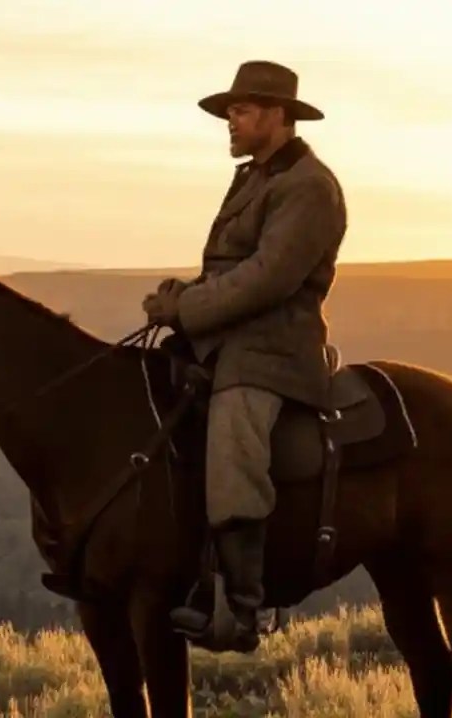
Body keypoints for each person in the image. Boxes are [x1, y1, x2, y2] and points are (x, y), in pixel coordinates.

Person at [141, 60, 348, 652]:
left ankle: (240, 607)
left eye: (243, 111)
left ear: (278, 116)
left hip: (270, 348)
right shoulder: (257, 177)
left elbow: (267, 279)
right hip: (226, 333)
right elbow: (227, 271)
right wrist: (181, 297)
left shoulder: (308, 185)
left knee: (234, 437)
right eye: (230, 112)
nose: (231, 122)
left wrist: (189, 310)